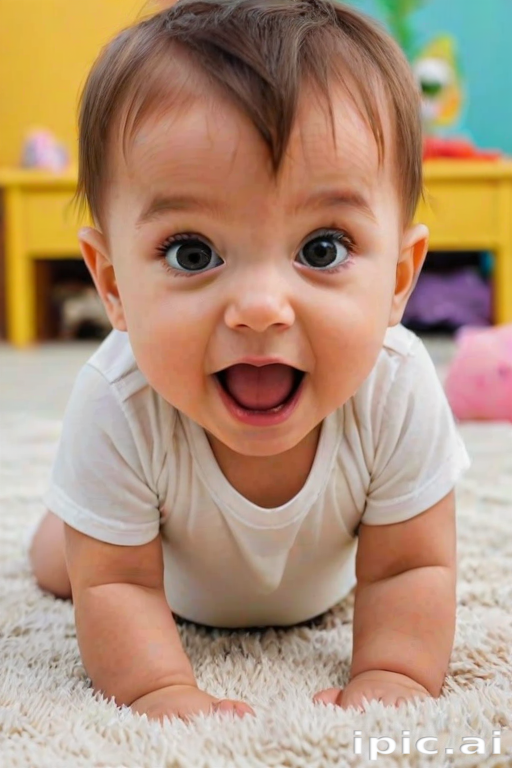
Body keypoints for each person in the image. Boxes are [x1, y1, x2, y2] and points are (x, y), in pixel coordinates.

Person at [29, 0, 470, 722]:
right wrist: (160, 690)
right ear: (111, 285)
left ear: (398, 277)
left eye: (321, 248)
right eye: (192, 253)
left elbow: (409, 564)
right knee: (66, 565)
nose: (261, 307)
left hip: (320, 582)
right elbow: (119, 589)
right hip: (165, 577)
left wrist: (395, 672)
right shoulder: (118, 399)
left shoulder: (395, 386)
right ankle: (70, 516)